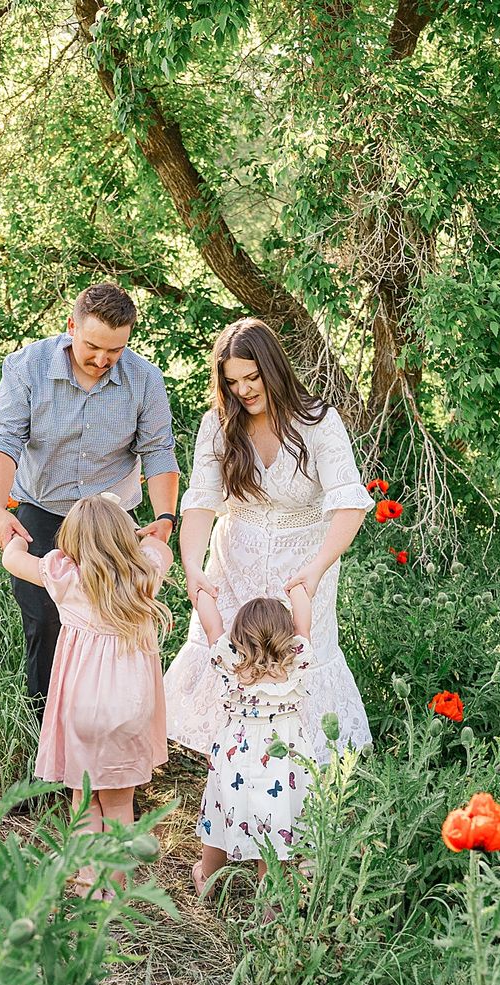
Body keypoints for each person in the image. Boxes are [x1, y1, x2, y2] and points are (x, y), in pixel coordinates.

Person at [163, 316, 373, 766]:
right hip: (233, 562)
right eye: (232, 381)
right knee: (231, 661)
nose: (243, 390)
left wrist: (317, 569)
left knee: (294, 665)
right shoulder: (219, 426)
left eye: (252, 377)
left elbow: (349, 504)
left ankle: (295, 794)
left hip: (301, 571)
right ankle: (234, 783)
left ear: (273, 368)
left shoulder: (318, 422)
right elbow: (200, 503)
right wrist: (193, 567)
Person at [0, 283, 180, 728]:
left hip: (112, 523)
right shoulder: (26, 367)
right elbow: (4, 441)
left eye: (115, 350)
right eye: (92, 346)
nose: (101, 359)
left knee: (114, 628)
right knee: (45, 626)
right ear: (71, 326)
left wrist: (165, 519)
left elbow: (159, 451)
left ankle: (111, 742)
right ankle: (46, 743)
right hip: (43, 511)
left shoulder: (144, 378)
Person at [1, 493, 174, 899]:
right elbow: (159, 544)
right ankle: (113, 890)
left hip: (81, 705)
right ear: (124, 539)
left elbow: (12, 560)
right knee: (118, 805)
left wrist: (16, 538)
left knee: (83, 801)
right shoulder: (145, 573)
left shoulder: (66, 577)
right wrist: (143, 532)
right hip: (130, 707)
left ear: (73, 542)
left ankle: (86, 885)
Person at [191, 585, 315, 894]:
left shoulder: (231, 663)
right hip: (282, 757)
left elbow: (211, 623)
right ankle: (270, 904)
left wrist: (202, 591)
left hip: (236, 756)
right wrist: (298, 589)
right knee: (275, 820)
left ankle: (208, 878)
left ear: (238, 637)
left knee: (220, 811)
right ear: (288, 636)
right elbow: (305, 623)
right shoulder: (295, 662)